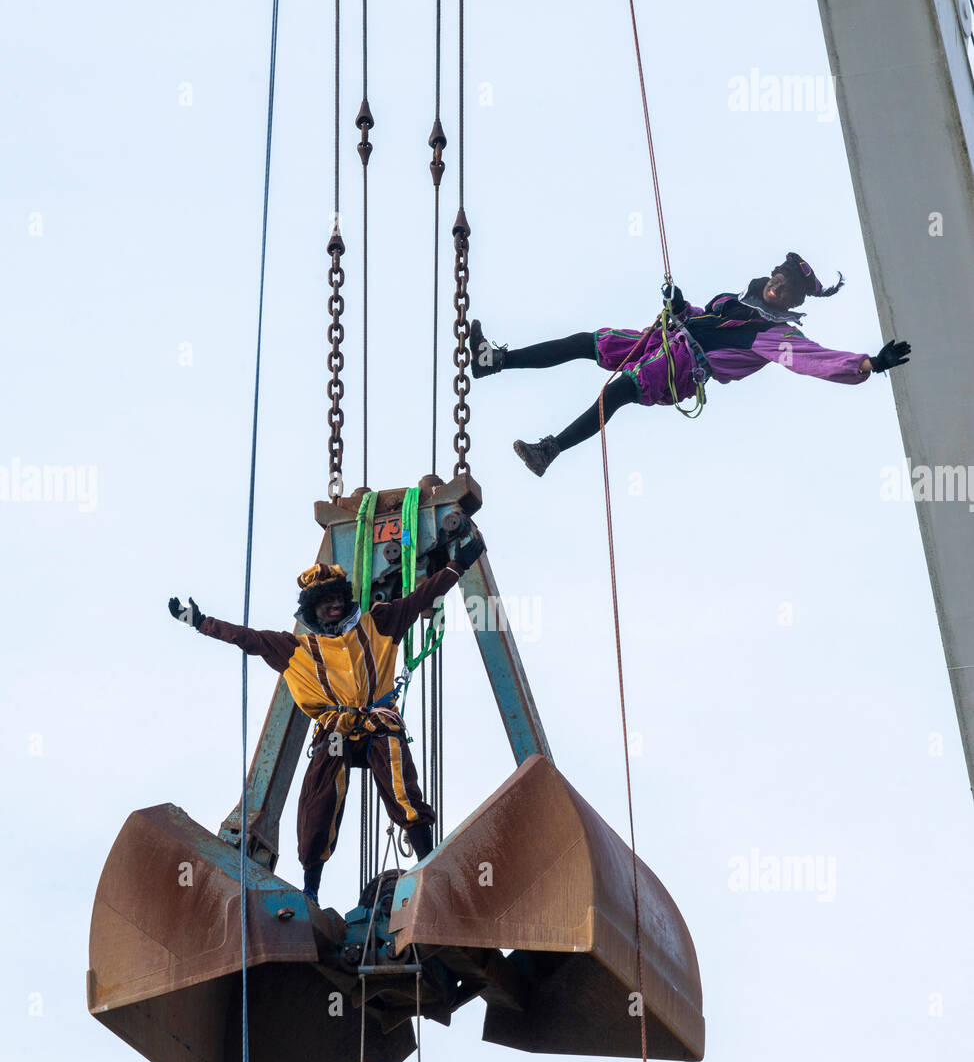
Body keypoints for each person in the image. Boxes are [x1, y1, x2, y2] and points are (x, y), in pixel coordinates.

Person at [168, 533, 485, 901]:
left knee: (401, 787)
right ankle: (311, 888)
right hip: (335, 731)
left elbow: (420, 598)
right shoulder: (294, 648)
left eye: (338, 599)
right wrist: (199, 621)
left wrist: (457, 565)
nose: (333, 607)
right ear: (312, 609)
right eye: (325, 602)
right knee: (319, 799)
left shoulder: (378, 623)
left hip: (378, 724)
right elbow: (247, 638)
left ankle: (428, 862)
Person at [469, 252, 912, 476]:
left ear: (795, 300)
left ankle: (550, 450)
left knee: (621, 389)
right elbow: (695, 317)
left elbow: (813, 361)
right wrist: (678, 302)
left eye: (791, 286)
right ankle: (495, 361)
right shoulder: (733, 302)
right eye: (781, 276)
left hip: (685, 364)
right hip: (669, 337)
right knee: (591, 341)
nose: (781, 284)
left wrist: (870, 363)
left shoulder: (776, 334)